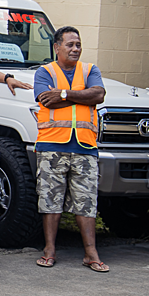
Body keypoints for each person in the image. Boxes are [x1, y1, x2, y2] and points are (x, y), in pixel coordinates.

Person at [33, 26, 108, 272]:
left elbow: (98, 95)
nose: (76, 49)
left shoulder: (90, 70)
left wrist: (64, 94)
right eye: (70, 45)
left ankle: (91, 253)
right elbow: (46, 98)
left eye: (78, 44)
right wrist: (80, 95)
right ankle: (49, 249)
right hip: (52, 144)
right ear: (57, 47)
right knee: (50, 200)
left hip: (85, 146)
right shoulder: (45, 72)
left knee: (86, 201)